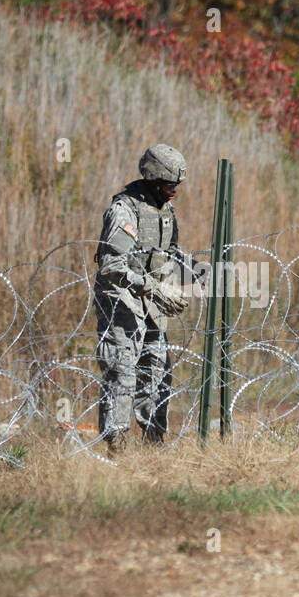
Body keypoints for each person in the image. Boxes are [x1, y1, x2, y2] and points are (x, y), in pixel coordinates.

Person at [93, 144, 203, 453]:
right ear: (155, 179)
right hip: (121, 300)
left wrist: (198, 271)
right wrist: (154, 289)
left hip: (151, 301)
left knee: (157, 370)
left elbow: (168, 251)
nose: (175, 191)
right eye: (170, 185)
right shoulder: (123, 210)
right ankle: (115, 446)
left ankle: (154, 443)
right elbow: (112, 266)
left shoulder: (165, 209)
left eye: (177, 185)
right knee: (122, 371)